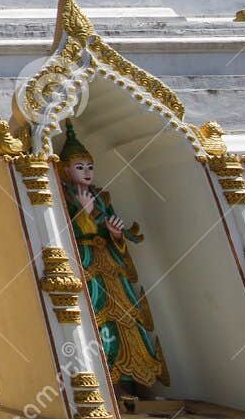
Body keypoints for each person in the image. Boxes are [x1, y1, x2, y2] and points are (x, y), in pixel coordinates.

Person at [59, 122, 169, 396]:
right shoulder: (63, 197)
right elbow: (65, 231)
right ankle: (107, 380)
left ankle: (139, 382)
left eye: (90, 167)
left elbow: (113, 234)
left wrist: (115, 233)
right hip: (86, 264)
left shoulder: (101, 197)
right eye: (79, 167)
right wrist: (85, 212)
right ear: (66, 170)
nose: (86, 172)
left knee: (126, 318)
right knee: (98, 317)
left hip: (110, 264)